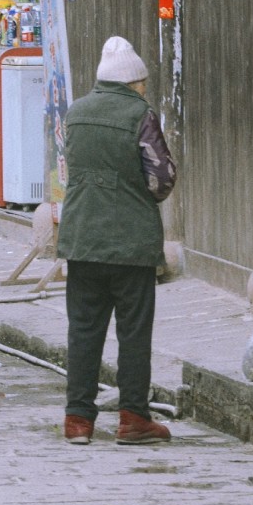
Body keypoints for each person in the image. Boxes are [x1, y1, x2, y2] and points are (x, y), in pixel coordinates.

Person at [58, 36, 177, 445]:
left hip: (82, 237)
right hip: (131, 242)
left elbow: (67, 167)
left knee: (84, 330)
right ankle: (133, 419)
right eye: (142, 83)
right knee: (134, 332)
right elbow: (162, 176)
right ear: (132, 83)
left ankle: (78, 421)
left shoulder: (75, 112)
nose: (145, 89)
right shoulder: (140, 114)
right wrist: (140, 197)